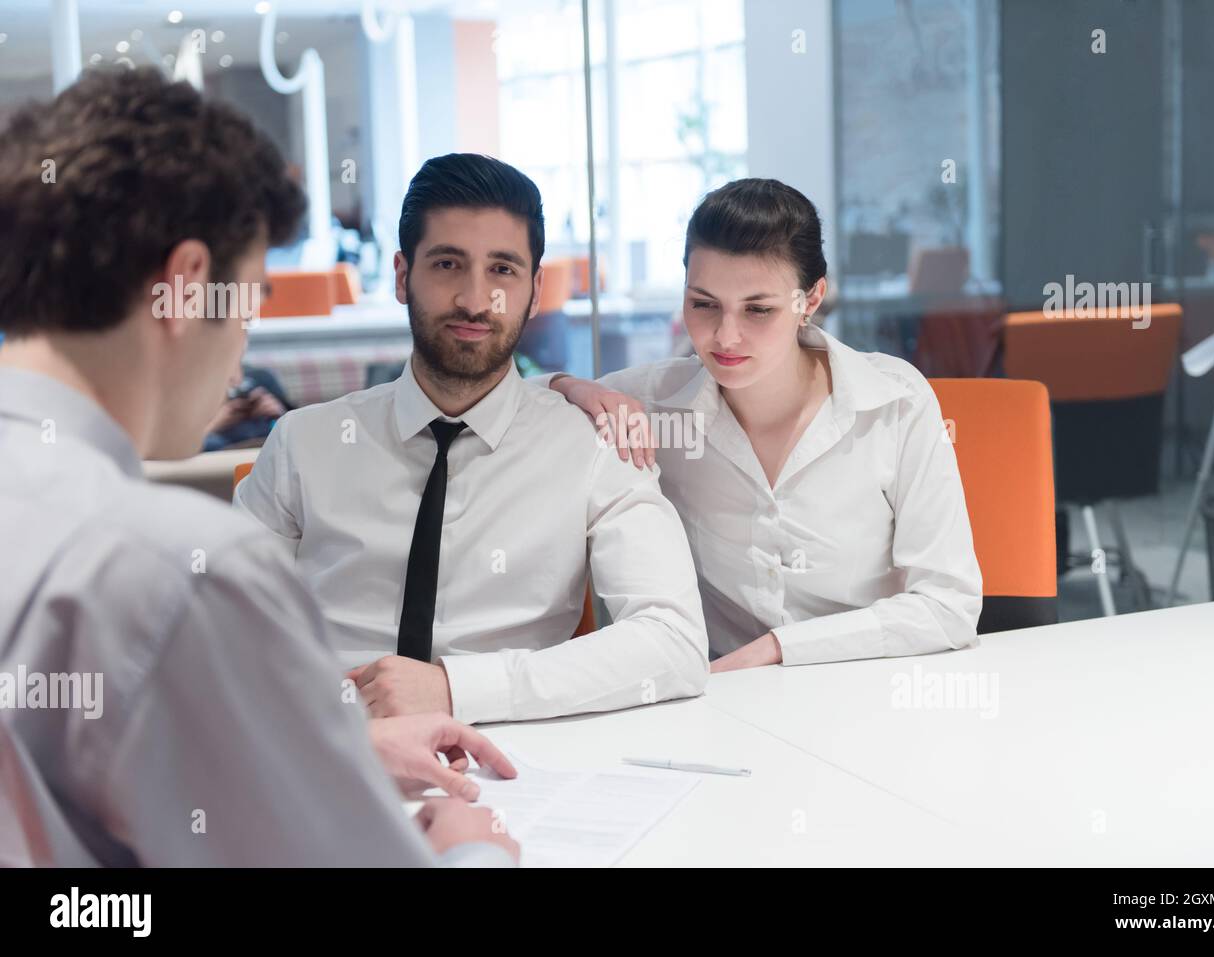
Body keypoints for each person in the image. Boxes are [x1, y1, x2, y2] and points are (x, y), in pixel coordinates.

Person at [0, 67, 517, 866]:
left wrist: (322, 750)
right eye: (251, 298)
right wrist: (466, 851)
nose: (244, 341)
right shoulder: (172, 566)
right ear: (186, 285)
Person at [234, 153, 708, 725]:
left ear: (535, 292)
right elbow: (214, 626)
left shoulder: (595, 445)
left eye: (502, 270)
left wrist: (455, 691)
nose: (475, 301)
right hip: (327, 750)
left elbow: (673, 644)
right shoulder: (303, 443)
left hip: (510, 760)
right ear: (403, 275)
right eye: (448, 265)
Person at [540, 179, 983, 672]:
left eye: (758, 309)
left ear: (810, 300)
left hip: (870, 689)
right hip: (728, 710)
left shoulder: (895, 403)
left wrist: (777, 650)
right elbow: (513, 399)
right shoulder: (657, 402)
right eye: (703, 304)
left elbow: (948, 606)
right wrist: (573, 388)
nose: (725, 336)